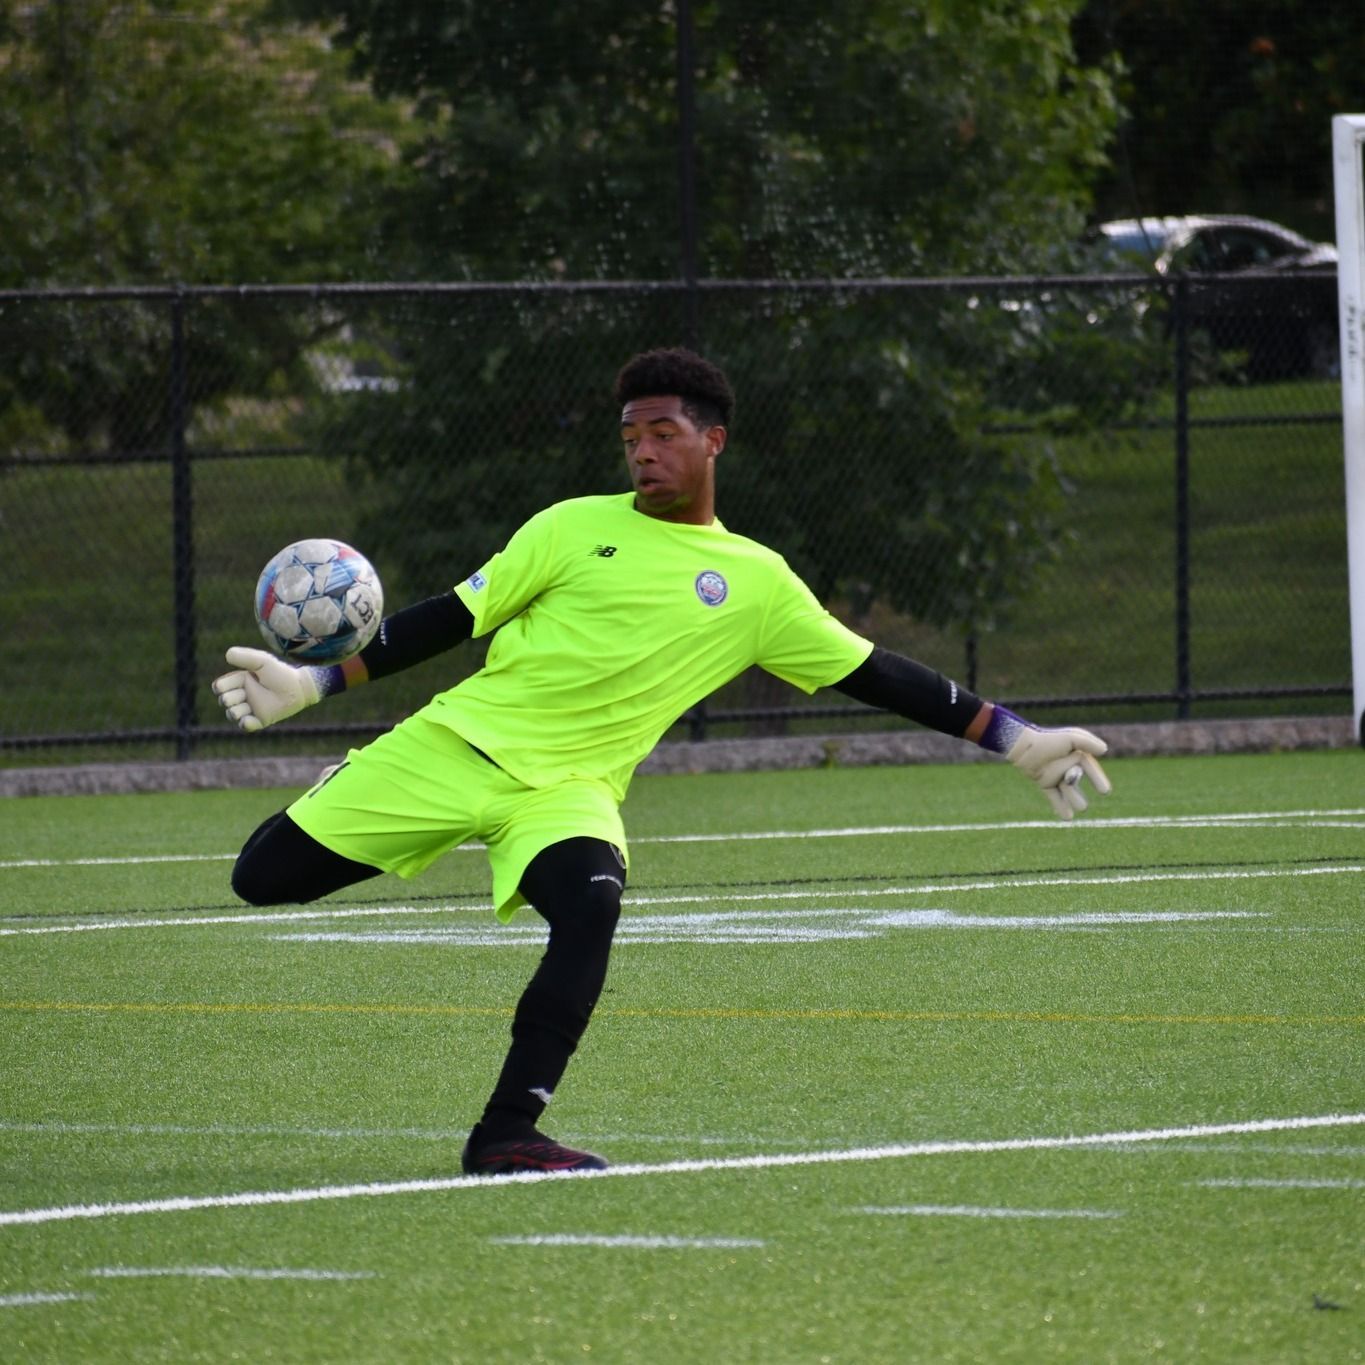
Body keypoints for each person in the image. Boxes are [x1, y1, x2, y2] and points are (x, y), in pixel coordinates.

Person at [212, 346, 1111, 1177]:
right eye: (630, 437)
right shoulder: (568, 526)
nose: (642, 451)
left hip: (570, 793)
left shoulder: (756, 582)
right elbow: (449, 617)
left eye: (663, 433)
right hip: (453, 747)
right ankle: (345, 784)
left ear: (712, 441)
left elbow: (875, 672)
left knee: (591, 907)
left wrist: (1015, 738)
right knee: (262, 879)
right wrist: (313, 683)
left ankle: (506, 1133)